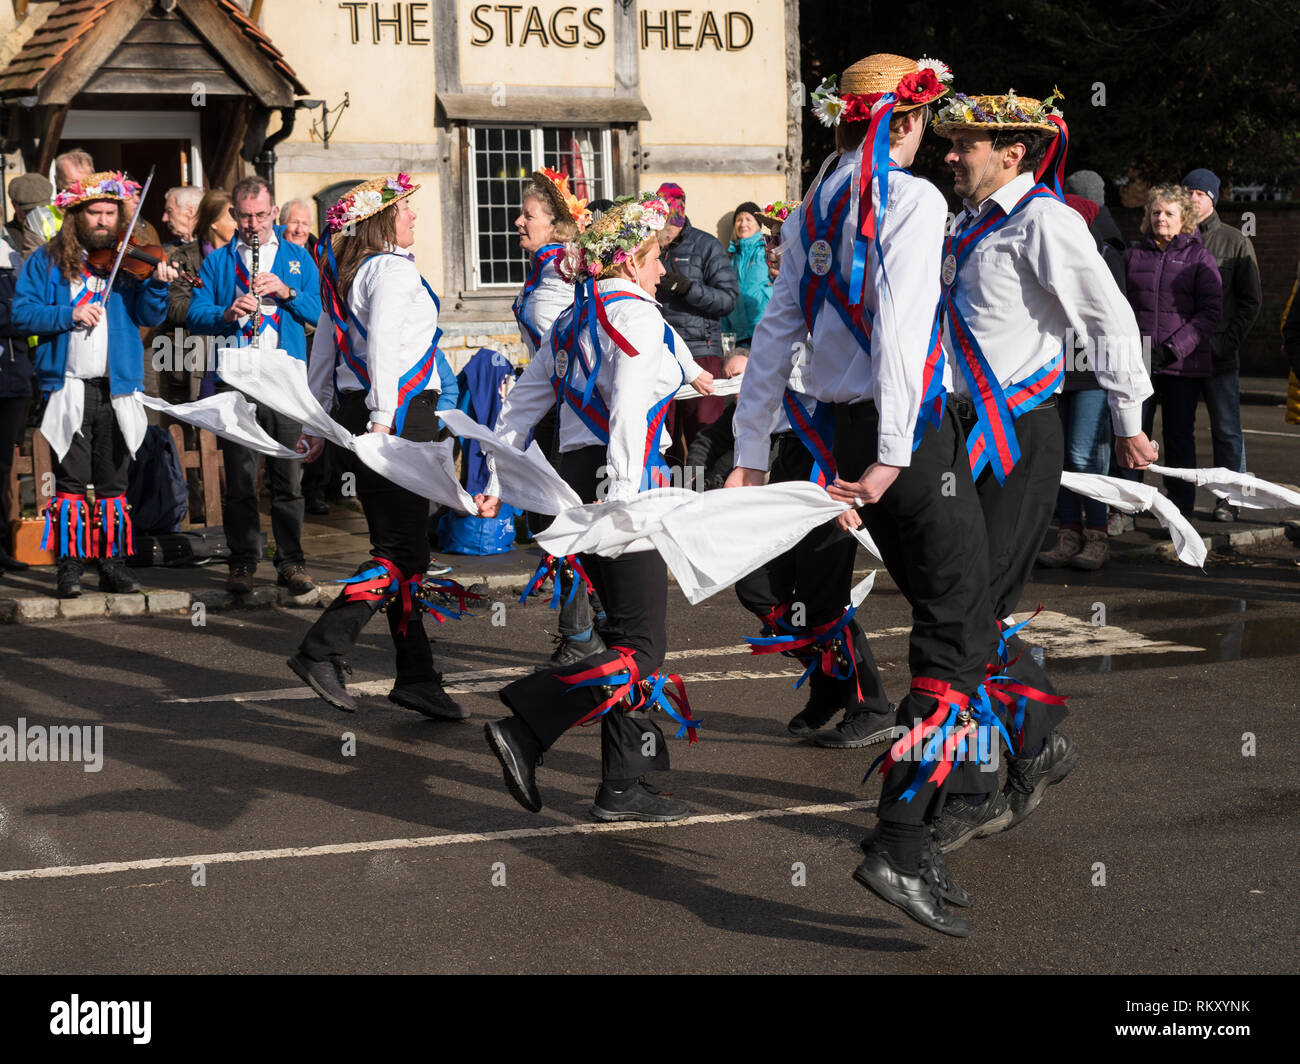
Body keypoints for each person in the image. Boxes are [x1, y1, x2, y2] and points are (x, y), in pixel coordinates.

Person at [729, 54, 997, 936]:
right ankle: (903, 838)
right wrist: (891, 454)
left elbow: (775, 330)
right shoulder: (910, 202)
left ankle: (981, 779)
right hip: (905, 438)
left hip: (850, 434)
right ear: (906, 122)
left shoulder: (813, 206)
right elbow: (907, 329)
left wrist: (749, 451)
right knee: (959, 624)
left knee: (947, 610)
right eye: (926, 123)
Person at [927, 88, 1157, 855]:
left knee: (968, 616)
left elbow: (1107, 317)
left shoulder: (1046, 221)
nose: (951, 155)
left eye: (965, 145)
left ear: (1013, 154)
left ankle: (969, 786)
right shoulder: (963, 225)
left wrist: (1128, 417)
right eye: (949, 143)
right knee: (963, 611)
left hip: (1020, 437)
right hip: (959, 436)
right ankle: (1039, 739)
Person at [477, 191, 706, 823]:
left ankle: (624, 783)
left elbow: (523, 401)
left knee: (622, 634)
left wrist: (499, 467)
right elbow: (631, 408)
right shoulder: (633, 316)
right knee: (642, 646)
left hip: (578, 474)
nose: (664, 269)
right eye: (657, 255)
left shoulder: (578, 316)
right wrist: (627, 498)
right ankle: (527, 729)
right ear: (633, 259)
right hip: (618, 477)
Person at [287, 173, 465, 719]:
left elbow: (325, 355)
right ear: (382, 220)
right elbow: (385, 346)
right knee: (398, 553)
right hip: (396, 415)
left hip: (362, 411)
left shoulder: (347, 274)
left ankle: (417, 678)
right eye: (407, 209)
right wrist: (385, 419)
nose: (414, 217)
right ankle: (321, 650)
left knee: (406, 553)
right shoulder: (388, 270)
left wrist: (316, 423)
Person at [727, 196, 896, 749]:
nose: (777, 252)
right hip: (786, 459)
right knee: (759, 586)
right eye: (774, 244)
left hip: (830, 461)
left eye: (785, 243)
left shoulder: (839, 306)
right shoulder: (783, 303)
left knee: (824, 594)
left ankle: (870, 703)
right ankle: (830, 683)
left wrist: (848, 489)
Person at [11, 171, 178, 597]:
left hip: (116, 386)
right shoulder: (46, 261)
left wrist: (157, 286)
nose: (103, 220)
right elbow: (21, 315)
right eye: (95, 213)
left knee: (113, 483)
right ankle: (69, 569)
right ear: (76, 216)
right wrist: (69, 315)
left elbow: (148, 316)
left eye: (109, 213)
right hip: (67, 385)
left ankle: (112, 565)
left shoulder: (125, 262)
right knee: (69, 482)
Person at [186, 176, 321, 594]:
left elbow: (320, 312)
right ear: (233, 215)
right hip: (240, 378)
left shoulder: (299, 258)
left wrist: (287, 291)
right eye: (244, 217)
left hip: (284, 378)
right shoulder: (219, 262)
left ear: (274, 212)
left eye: (261, 215)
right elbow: (195, 314)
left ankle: (292, 562)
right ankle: (243, 561)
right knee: (242, 478)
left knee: (288, 476)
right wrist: (228, 313)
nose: (253, 225)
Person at [511, 168, 603, 667]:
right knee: (554, 519)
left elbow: (570, 346)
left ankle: (583, 634)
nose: (518, 222)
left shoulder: (562, 273)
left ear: (557, 224)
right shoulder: (550, 270)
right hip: (554, 410)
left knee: (559, 519)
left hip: (568, 413)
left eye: (529, 215)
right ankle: (591, 628)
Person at [1036, 187, 1127, 570]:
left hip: (1092, 370)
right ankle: (1069, 532)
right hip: (1058, 368)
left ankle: (1098, 535)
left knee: (1083, 453)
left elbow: (1113, 316)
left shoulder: (1105, 255)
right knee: (1061, 456)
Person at [1123, 184, 1222, 518]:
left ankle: (1180, 510)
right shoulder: (1134, 255)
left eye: (1168, 213)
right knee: (1133, 435)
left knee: (1179, 438)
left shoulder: (1200, 257)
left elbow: (1209, 314)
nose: (1160, 219)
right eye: (1155, 212)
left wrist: (1171, 350)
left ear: (1185, 219)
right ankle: (1129, 508)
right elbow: (1119, 309)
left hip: (1183, 365)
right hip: (1139, 364)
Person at [1183, 168, 1262, 521]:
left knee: (1227, 430)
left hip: (1219, 356)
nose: (1193, 198)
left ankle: (1229, 500)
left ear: (1213, 198)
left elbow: (1251, 300)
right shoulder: (1174, 236)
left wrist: (1229, 342)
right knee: (1179, 432)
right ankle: (1179, 501)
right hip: (1181, 357)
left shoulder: (1235, 240)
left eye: (1200, 193)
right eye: (1188, 192)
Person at [655, 181, 738, 452]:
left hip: (701, 353)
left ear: (673, 220)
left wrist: (688, 288)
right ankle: (668, 491)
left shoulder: (706, 246)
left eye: (661, 224)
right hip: (661, 354)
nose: (656, 233)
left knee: (702, 436)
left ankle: (706, 490)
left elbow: (728, 299)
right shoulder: (653, 246)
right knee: (663, 440)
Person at [0, 239, 32, 574]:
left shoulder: (12, 260)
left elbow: (26, 315)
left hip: (12, 376)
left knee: (3, 465)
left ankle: (1, 545)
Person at [21, 150, 94, 258]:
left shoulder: (108, 211)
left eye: (85, 183)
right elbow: (34, 264)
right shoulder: (39, 218)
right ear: (57, 182)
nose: (80, 189)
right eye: (73, 183)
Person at [720, 201, 772, 347]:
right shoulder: (730, 256)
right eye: (739, 220)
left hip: (764, 330)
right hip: (737, 335)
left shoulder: (766, 251)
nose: (743, 224)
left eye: (748, 219)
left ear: (758, 225)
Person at [8, 173, 53, 257]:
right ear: (14, 205)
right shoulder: (6, 235)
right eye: (29, 211)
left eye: (42, 209)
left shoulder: (61, 229)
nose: (36, 215)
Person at [194, 189, 235, 256]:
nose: (240, 225)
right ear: (213, 222)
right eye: (234, 219)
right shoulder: (187, 259)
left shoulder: (247, 255)